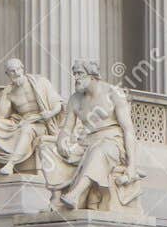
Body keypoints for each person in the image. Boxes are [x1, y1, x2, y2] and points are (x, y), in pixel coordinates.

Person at [52, 60, 144, 211]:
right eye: (74, 74)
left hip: (112, 142)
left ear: (93, 76)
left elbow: (128, 130)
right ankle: (55, 199)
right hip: (85, 142)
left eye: (80, 74)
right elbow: (67, 128)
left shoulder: (113, 93)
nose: (76, 78)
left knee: (99, 151)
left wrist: (132, 165)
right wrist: (62, 139)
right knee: (49, 149)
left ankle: (75, 194)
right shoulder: (75, 99)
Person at [0, 59, 75, 185]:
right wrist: (4, 95)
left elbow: (58, 104)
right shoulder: (10, 91)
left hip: (43, 124)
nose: (16, 73)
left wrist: (50, 113)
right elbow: (1, 116)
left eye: (18, 69)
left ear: (22, 68)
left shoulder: (40, 82)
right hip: (22, 122)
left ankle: (11, 164)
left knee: (28, 128)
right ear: (7, 74)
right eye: (12, 71)